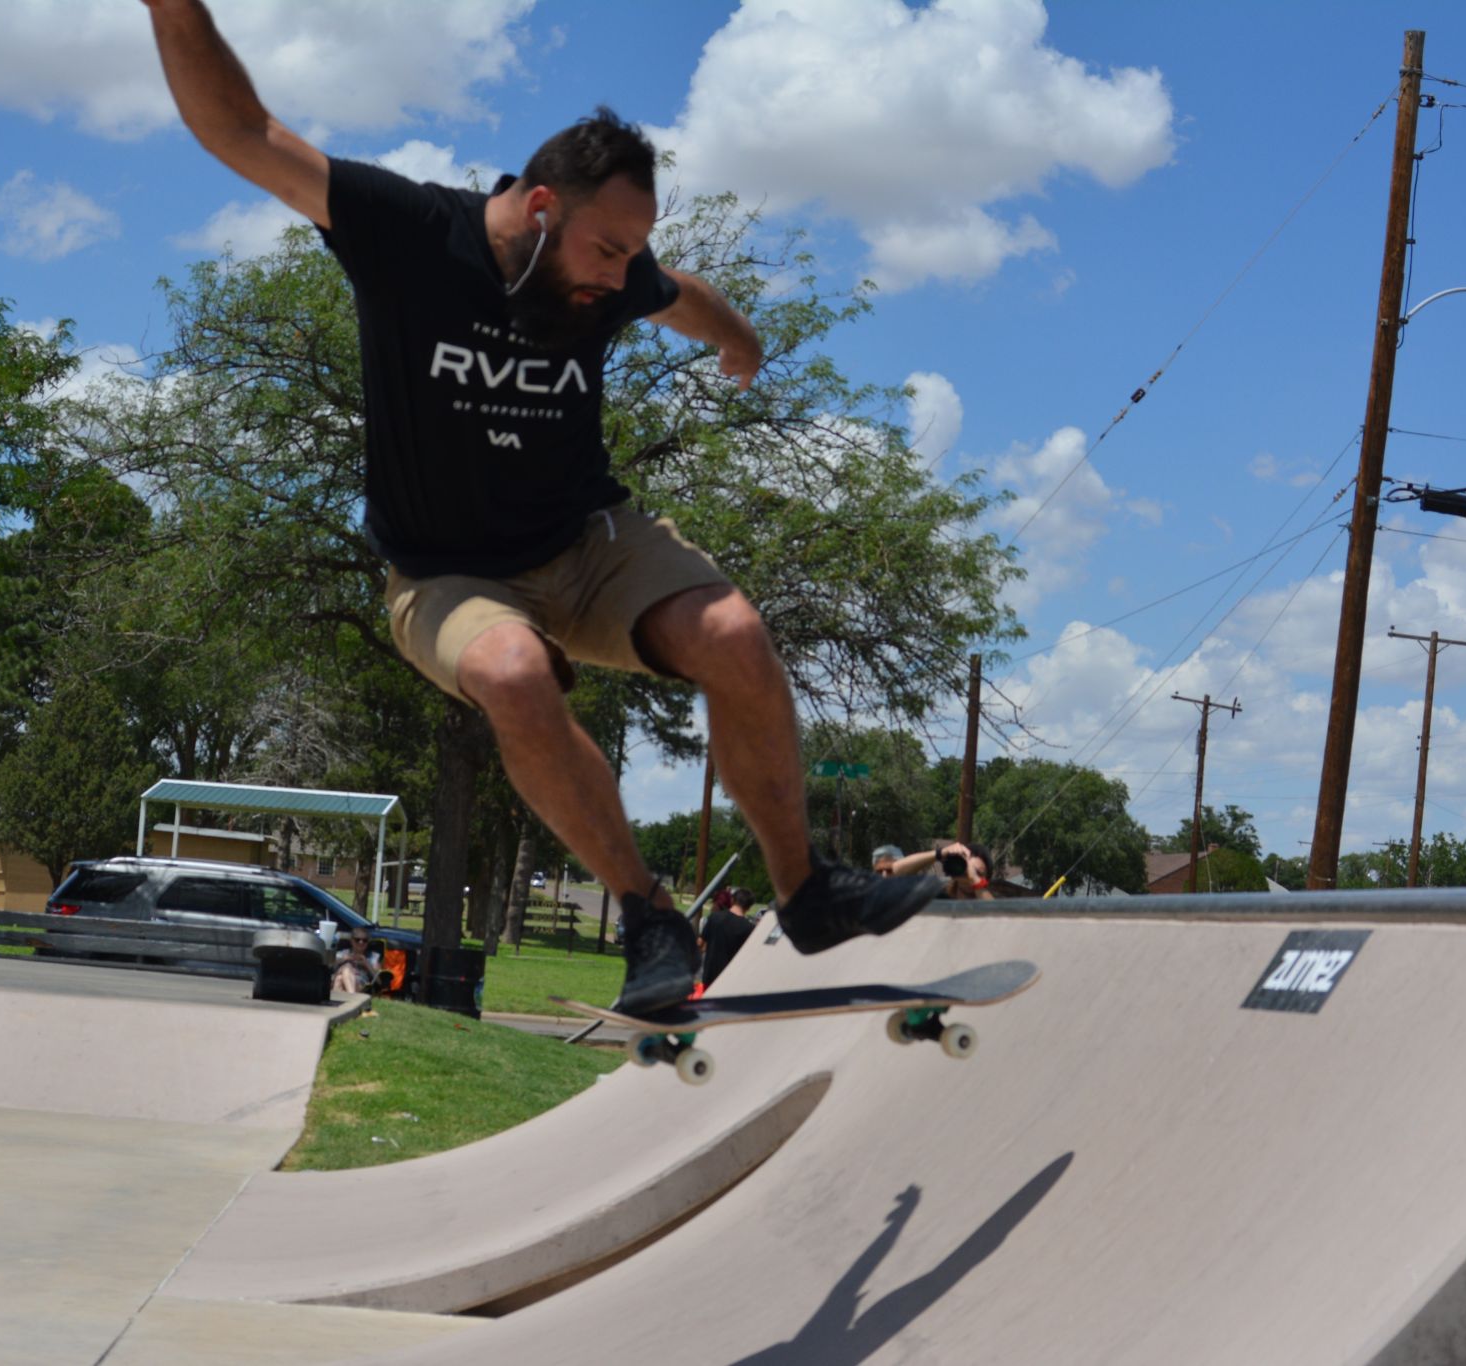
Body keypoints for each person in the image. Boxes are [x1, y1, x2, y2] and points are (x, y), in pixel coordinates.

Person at [141, 3, 944, 1014]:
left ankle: (808, 889)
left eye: (626, 258)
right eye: (604, 252)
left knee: (735, 634)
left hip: (586, 540)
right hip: (445, 574)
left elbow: (676, 290)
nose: (616, 279)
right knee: (512, 673)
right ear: (537, 210)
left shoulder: (608, 274)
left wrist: (735, 339)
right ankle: (650, 919)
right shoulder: (406, 234)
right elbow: (241, 135)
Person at [888, 841, 996, 901]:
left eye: (978, 872)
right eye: (966, 867)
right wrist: (939, 853)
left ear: (987, 880)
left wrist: (975, 880)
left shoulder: (994, 900)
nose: (969, 873)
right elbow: (891, 875)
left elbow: (997, 920)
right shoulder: (938, 898)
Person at [698, 886, 757, 990]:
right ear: (749, 907)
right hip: (730, 979)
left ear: (733, 900)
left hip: (709, 976)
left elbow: (700, 944)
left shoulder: (714, 918)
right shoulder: (749, 928)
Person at [332, 928, 382, 995]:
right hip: (342, 981)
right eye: (357, 940)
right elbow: (330, 968)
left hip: (362, 985)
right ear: (351, 941)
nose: (361, 942)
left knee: (344, 971)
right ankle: (353, 999)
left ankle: (351, 998)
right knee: (340, 977)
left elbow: (379, 981)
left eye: (364, 940)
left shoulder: (373, 957)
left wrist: (366, 964)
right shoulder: (342, 954)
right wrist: (344, 959)